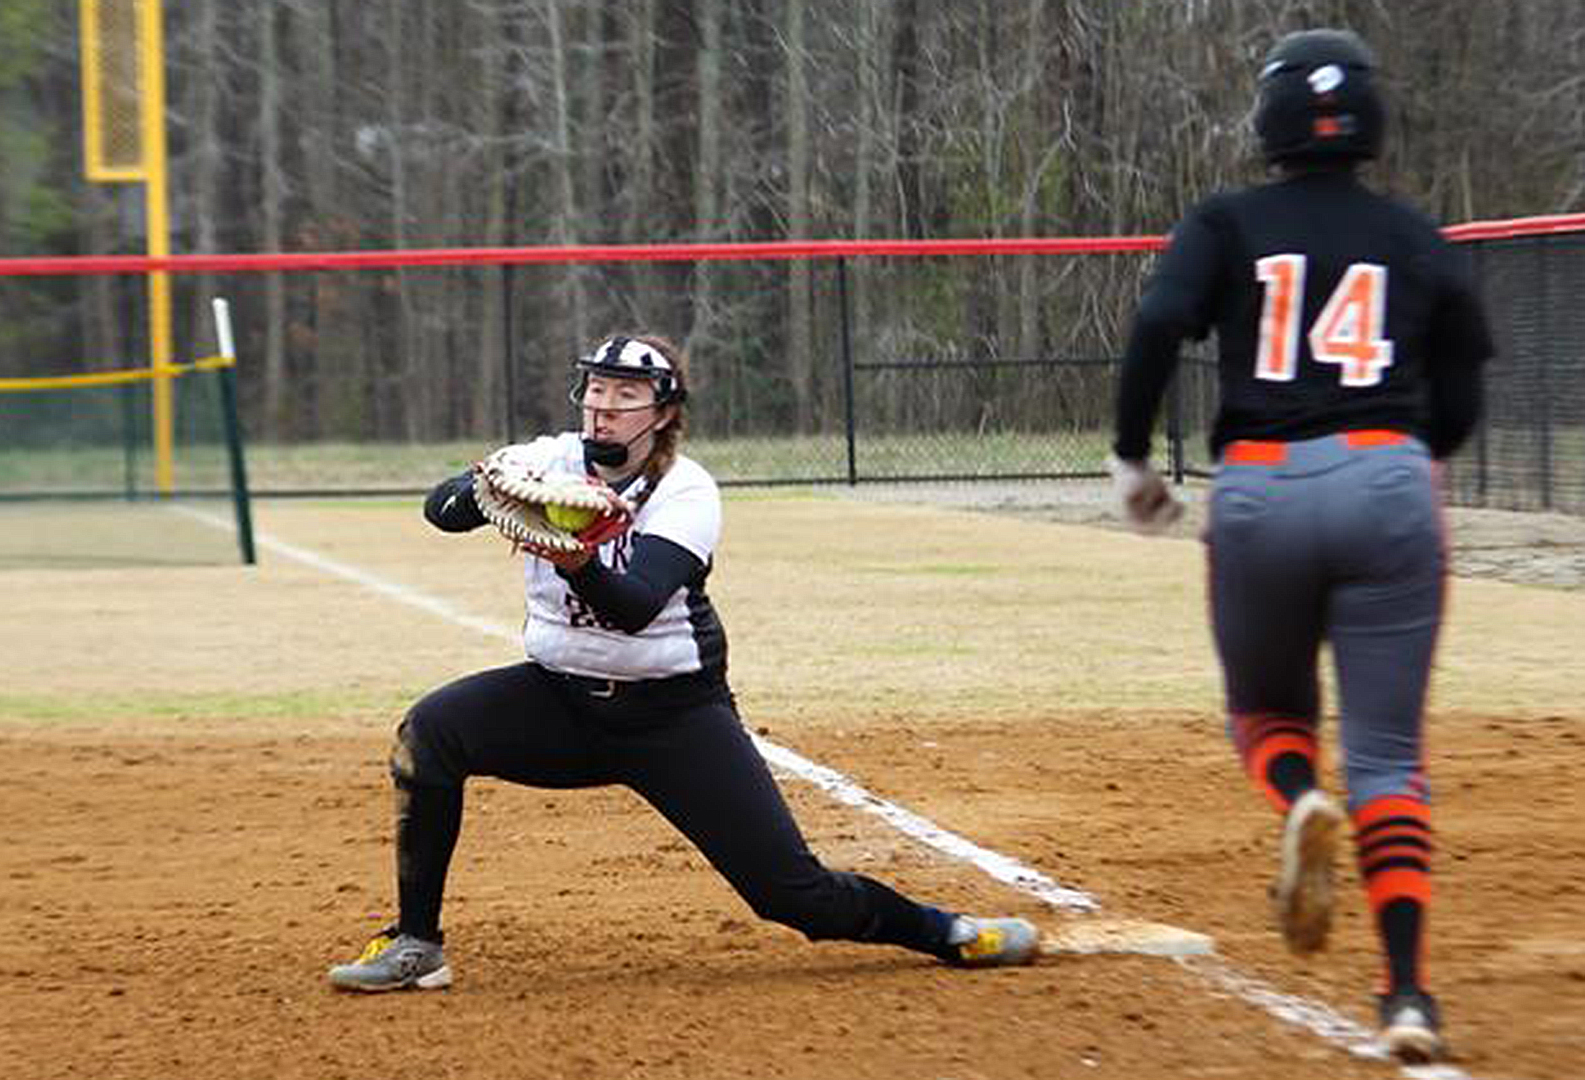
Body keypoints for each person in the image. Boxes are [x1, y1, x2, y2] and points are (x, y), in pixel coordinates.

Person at [329, 334, 1040, 991]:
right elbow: (440, 509)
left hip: (672, 718)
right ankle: (417, 944)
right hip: (561, 701)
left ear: (663, 413)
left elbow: (634, 605)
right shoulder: (549, 459)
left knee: (795, 898)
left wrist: (573, 557)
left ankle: (950, 933)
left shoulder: (686, 490)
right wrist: (491, 491)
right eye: (596, 390)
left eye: (626, 395)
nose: (603, 408)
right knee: (430, 734)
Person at [1108, 30, 1492, 1064]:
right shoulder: (1414, 236)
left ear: (1269, 121)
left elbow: (1158, 324)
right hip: (1391, 479)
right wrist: (1408, 466)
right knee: (1391, 758)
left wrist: (1134, 459)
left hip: (1262, 490)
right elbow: (1460, 390)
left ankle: (1299, 795)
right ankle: (1407, 994)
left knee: (1267, 716)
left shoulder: (1228, 221)